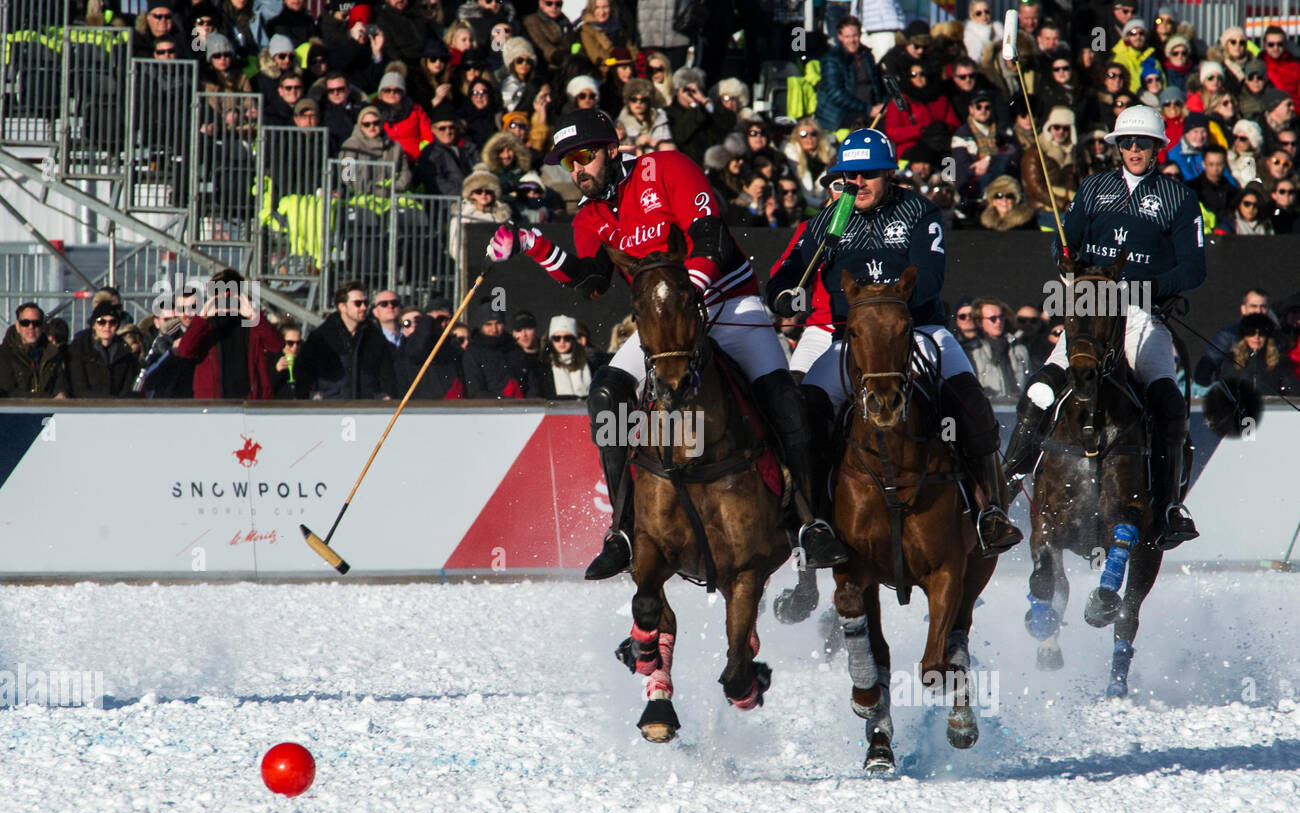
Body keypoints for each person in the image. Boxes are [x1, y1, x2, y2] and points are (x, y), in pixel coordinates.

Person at [485, 108, 849, 577]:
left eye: (583, 156)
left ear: (612, 149)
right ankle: (623, 529)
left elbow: (710, 236)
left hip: (727, 305)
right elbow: (594, 282)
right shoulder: (589, 214)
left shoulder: (667, 167)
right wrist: (532, 245)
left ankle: (809, 521)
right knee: (606, 395)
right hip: (663, 324)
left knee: (785, 400)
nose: (575, 170)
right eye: (566, 163)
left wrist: (686, 299)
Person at [768, 128, 1023, 556]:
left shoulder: (919, 212)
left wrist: (878, 303)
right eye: (850, 176)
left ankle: (989, 512)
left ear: (889, 174)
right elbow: (787, 272)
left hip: (918, 330)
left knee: (969, 402)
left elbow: (929, 279)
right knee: (804, 411)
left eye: (868, 174)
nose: (858, 183)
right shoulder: (828, 221)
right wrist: (783, 293)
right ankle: (810, 520)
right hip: (848, 339)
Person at [1003, 105, 1206, 549]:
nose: (1134, 149)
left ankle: (1169, 506)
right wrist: (1063, 255)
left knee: (1168, 403)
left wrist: (1144, 287)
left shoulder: (1178, 198)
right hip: (1091, 306)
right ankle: (1002, 492)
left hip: (1139, 315)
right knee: (1039, 393)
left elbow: (1193, 270)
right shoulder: (1095, 187)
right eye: (1127, 142)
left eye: (1143, 143)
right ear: (1118, 147)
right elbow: (1067, 239)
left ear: (1157, 147)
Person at [173, 271, 287, 400]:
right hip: (214, 402)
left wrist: (254, 317)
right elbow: (185, 351)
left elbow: (277, 345)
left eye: (228, 294)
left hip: (249, 401)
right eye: (218, 293)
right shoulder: (205, 325)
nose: (224, 299)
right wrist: (202, 318)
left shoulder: (252, 323)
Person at [297, 282, 398, 399]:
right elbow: (304, 375)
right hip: (330, 407)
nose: (364, 307)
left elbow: (388, 374)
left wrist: (386, 396)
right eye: (358, 304)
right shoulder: (321, 337)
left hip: (366, 407)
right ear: (342, 307)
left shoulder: (374, 336)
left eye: (366, 303)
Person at [1191, 288, 1271, 394]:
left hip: (1271, 401)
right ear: (1243, 309)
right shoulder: (1227, 335)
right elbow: (1204, 370)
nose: (1258, 311)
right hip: (1234, 398)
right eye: (1253, 306)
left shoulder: (1275, 335)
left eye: (1263, 307)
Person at [67, 302, 142, 398]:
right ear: (94, 325)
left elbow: (128, 388)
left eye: (112, 322)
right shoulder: (79, 349)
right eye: (101, 322)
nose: (107, 326)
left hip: (118, 409)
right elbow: (78, 388)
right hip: (86, 408)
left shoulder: (125, 353)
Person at [461, 305, 535, 398]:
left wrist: (533, 402)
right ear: (481, 326)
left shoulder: (514, 348)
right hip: (491, 408)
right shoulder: (473, 352)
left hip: (521, 407)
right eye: (488, 324)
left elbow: (530, 383)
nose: (494, 329)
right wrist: (503, 399)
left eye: (498, 323)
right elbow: (475, 391)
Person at [0, 303, 68, 398]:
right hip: (15, 410)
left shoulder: (52, 354)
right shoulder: (4, 355)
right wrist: (46, 398)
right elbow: (8, 391)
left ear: (43, 327)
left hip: (49, 410)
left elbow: (59, 385)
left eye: (36, 323)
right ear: (18, 327)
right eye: (25, 323)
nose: (31, 327)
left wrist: (61, 394)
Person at [536, 314, 601, 398]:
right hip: (557, 410)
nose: (562, 342)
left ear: (574, 339)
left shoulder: (590, 363)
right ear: (551, 340)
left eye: (567, 338)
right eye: (557, 338)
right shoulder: (543, 367)